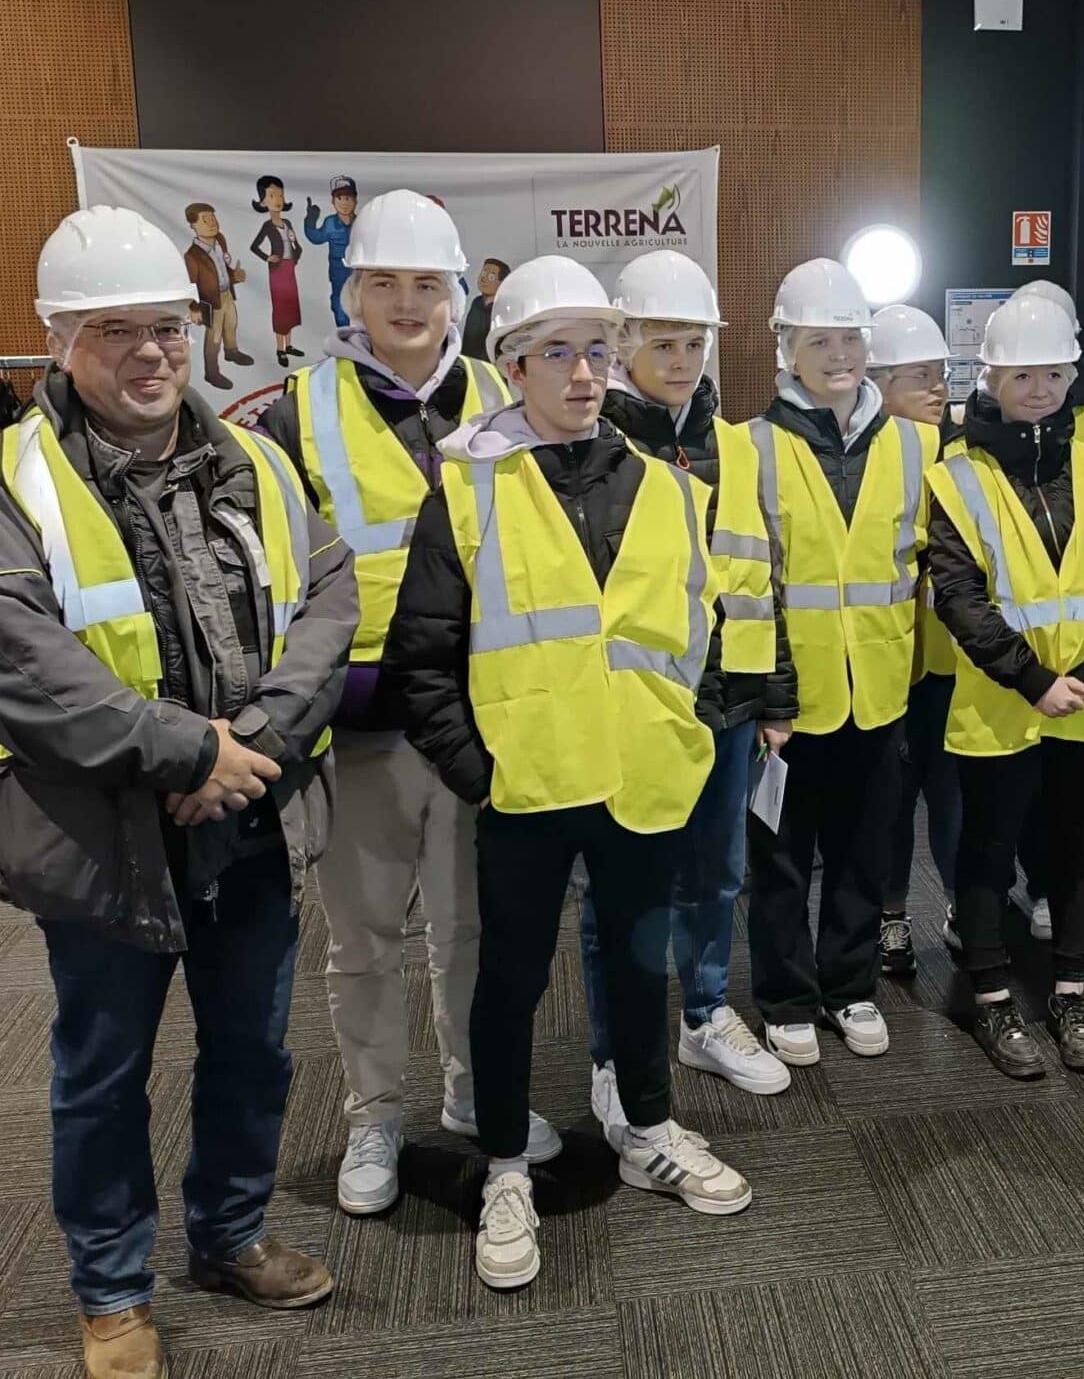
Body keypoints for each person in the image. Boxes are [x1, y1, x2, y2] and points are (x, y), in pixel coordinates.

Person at [2, 207, 358, 1379]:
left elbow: (330, 594)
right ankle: (110, 1290)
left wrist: (247, 744)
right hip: (104, 838)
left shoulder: (253, 457)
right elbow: (19, 651)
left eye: (168, 327)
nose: (153, 353)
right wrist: (183, 752)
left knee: (255, 1050)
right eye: (117, 332)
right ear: (59, 343)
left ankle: (232, 1234)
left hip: (247, 819)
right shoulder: (19, 481)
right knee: (102, 1072)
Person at [383, 253, 753, 1291]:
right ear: (512, 366)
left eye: (600, 350)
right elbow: (422, 660)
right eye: (559, 352)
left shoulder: (672, 492)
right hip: (526, 791)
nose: (586, 372)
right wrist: (482, 774)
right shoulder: (467, 490)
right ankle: (505, 1160)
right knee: (510, 982)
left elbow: (702, 629)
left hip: (643, 781)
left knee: (641, 970)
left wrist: (690, 728)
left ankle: (645, 1127)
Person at [261, 190, 520, 1216]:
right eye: (385, 283)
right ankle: (376, 1112)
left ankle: (466, 1094)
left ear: (457, 291)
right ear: (352, 293)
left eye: (427, 283)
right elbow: (281, 572)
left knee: (471, 930)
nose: (407, 303)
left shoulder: (510, 394)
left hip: (476, 722)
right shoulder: (296, 411)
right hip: (359, 731)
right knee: (362, 937)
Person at [577, 249, 795, 1127]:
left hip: (728, 702)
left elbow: (758, 576)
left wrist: (775, 697)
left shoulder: (737, 446)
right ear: (623, 342)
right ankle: (610, 1052)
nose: (681, 359)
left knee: (718, 876)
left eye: (694, 342)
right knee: (622, 892)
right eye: (662, 341)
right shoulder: (593, 447)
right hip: (634, 708)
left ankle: (703, 1015)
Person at [927, 294, 1084, 1078]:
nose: (1039, 388)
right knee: (986, 849)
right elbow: (957, 597)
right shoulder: (957, 477)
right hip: (1003, 700)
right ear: (990, 376)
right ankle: (990, 998)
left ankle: (1068, 991)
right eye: (1023, 374)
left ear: (1071, 374)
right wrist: (1032, 679)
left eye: (1053, 373)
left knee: (1075, 849)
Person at [746, 259, 937, 1065]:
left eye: (850, 338)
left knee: (865, 849)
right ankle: (787, 997)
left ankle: (850, 986)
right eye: (818, 340)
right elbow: (749, 585)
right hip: (794, 698)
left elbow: (927, 566)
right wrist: (769, 696)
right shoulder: (752, 446)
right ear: (787, 349)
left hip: (883, 688)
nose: (838, 356)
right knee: (782, 856)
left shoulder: (913, 445)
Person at [864, 303, 962, 975]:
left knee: (954, 797)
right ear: (880, 383)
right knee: (890, 805)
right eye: (919, 375)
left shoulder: (964, 453)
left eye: (941, 375)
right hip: (886, 661)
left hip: (954, 662)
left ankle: (964, 907)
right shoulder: (860, 463)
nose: (937, 388)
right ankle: (890, 918)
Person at [184, 202, 250, 390]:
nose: (211, 223)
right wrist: (194, 308)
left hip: (227, 293)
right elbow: (191, 283)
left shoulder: (220, 240)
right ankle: (212, 372)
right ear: (193, 226)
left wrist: (234, 276)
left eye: (213, 218)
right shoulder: (193, 255)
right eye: (205, 220)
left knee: (232, 323)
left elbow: (223, 269)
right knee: (214, 335)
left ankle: (232, 351)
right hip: (210, 300)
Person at [249, 175, 304, 366]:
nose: (278, 200)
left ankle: (289, 345)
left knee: (291, 306)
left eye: (280, 195)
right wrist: (268, 257)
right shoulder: (267, 226)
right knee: (280, 309)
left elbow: (296, 244)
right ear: (263, 201)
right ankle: (280, 349)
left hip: (289, 268)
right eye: (272, 196)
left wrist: (295, 257)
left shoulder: (287, 223)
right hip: (278, 270)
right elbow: (254, 246)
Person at [304, 174, 359, 328]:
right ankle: (344, 342)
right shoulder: (330, 222)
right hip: (338, 273)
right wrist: (310, 220)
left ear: (355, 200)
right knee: (340, 307)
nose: (344, 203)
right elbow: (317, 237)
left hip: (359, 274)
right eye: (340, 198)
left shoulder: (361, 221)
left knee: (362, 308)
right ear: (333, 201)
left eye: (348, 198)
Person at [462, 257, 510, 361]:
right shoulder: (476, 302)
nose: (484, 278)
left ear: (502, 283)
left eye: (491, 276)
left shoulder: (501, 308)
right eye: (483, 274)